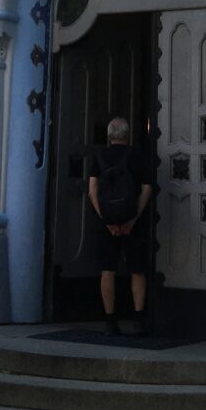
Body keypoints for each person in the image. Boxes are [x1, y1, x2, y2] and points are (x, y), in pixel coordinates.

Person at [87, 117, 154, 335]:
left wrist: (106, 220)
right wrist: (133, 219)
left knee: (108, 269)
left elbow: (92, 191)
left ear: (109, 136)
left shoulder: (100, 156)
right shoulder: (136, 155)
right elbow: (146, 189)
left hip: (107, 224)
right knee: (137, 269)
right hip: (132, 223)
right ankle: (138, 319)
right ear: (127, 135)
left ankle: (110, 320)